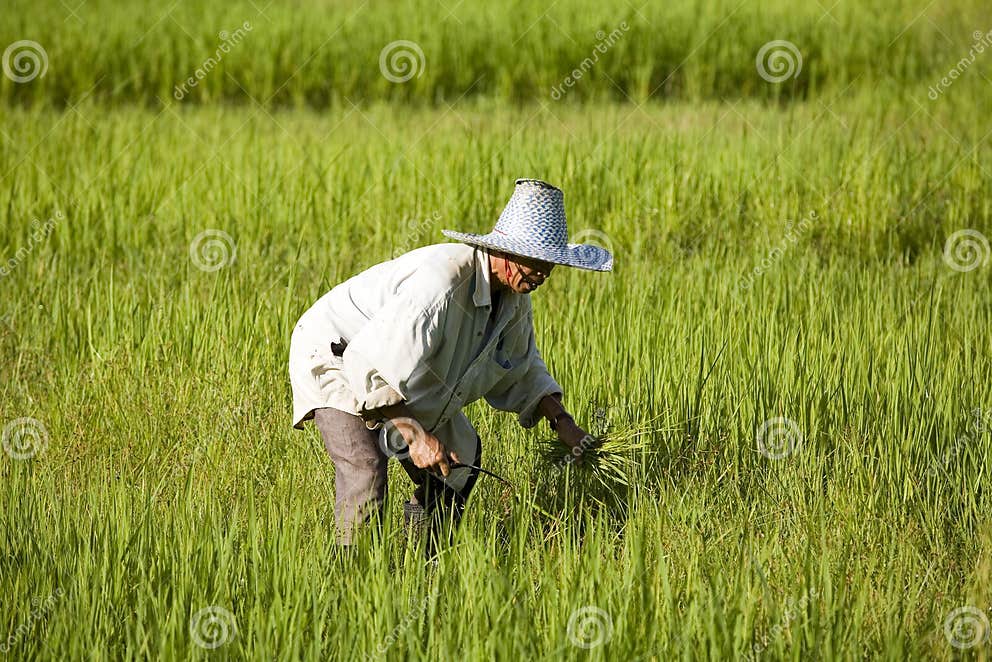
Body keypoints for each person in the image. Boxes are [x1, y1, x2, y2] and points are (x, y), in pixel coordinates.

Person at [288, 178, 613, 551]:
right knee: (366, 468)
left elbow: (522, 368)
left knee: (458, 467)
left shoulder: (513, 297)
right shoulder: (442, 285)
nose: (544, 274)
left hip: (401, 373)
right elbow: (369, 364)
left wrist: (564, 423)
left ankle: (425, 564)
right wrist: (416, 436)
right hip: (339, 355)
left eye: (550, 265)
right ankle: (349, 581)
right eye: (537, 262)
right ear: (506, 251)